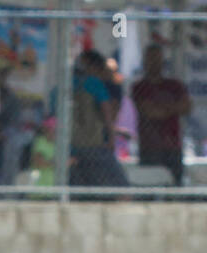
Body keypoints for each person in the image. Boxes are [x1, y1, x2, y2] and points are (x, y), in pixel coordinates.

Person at [130, 44, 192, 186]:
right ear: (145, 61)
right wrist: (173, 108)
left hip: (173, 146)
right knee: (149, 185)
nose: (154, 62)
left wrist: (162, 108)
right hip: (149, 147)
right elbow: (150, 112)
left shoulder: (175, 85)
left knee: (175, 185)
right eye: (151, 58)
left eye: (158, 58)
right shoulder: (139, 87)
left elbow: (187, 107)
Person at [70, 51, 128, 188]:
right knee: (121, 188)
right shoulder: (94, 84)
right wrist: (112, 138)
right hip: (94, 146)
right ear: (93, 67)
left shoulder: (64, 84)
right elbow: (108, 115)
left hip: (69, 147)